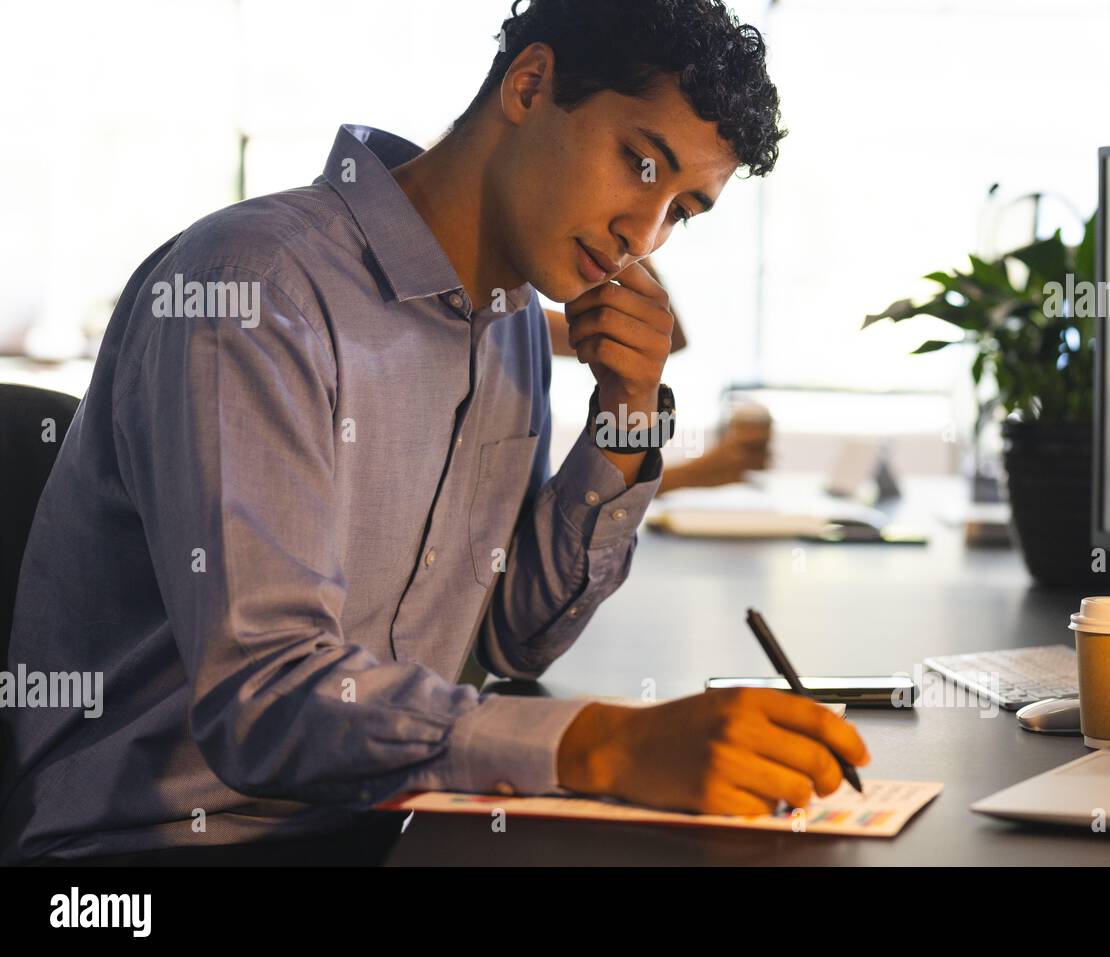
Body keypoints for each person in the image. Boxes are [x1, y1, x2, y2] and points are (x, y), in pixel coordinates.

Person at [0, 0, 866, 863]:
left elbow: (513, 637)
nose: (645, 235)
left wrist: (626, 414)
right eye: (641, 163)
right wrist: (609, 744)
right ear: (530, 85)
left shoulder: (515, 320)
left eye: (682, 209)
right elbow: (263, 698)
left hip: (388, 820)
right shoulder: (252, 290)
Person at [544, 257, 772, 493]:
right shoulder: (520, 320)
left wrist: (630, 254)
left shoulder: (529, 323)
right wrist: (693, 474)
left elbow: (667, 338)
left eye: (678, 217)